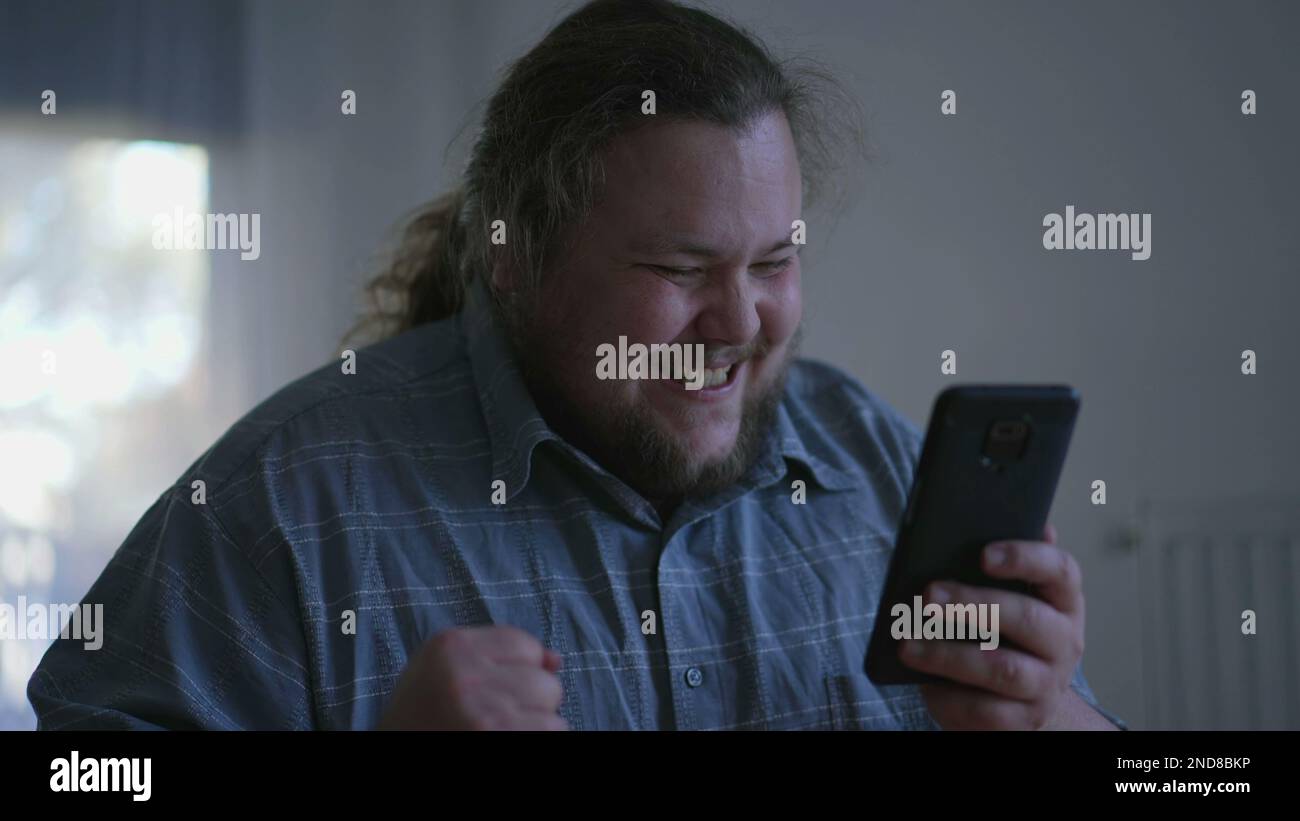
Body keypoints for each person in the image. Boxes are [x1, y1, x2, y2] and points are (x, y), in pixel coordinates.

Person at [29, 0, 1122, 730]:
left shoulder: (879, 463)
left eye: (775, 258)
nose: (739, 321)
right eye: (677, 265)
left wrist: (1054, 721)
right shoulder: (281, 501)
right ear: (513, 257)